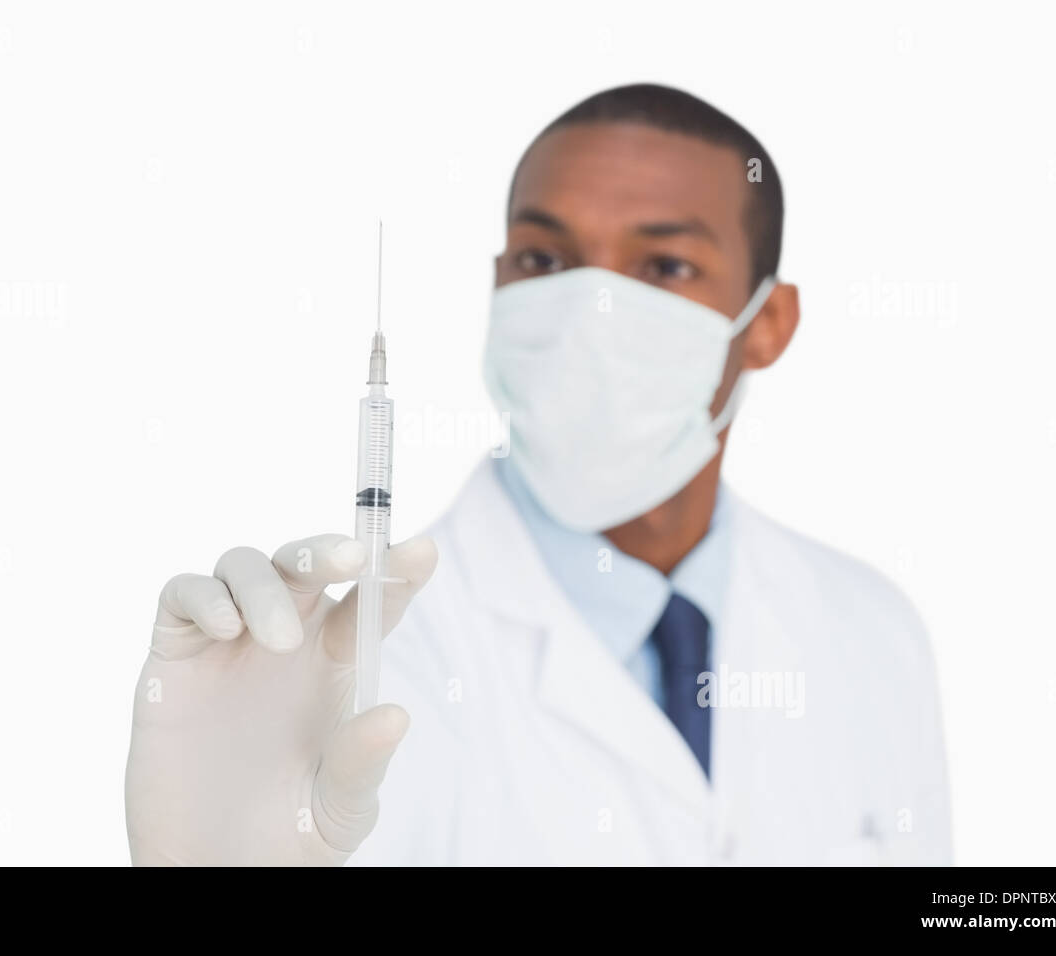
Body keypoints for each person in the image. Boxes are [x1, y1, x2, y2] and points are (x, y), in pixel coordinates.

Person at [124, 83, 952, 866]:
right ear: (497, 282)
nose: (588, 312)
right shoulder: (360, 667)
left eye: (664, 267)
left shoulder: (871, 633)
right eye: (543, 259)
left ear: (767, 322)